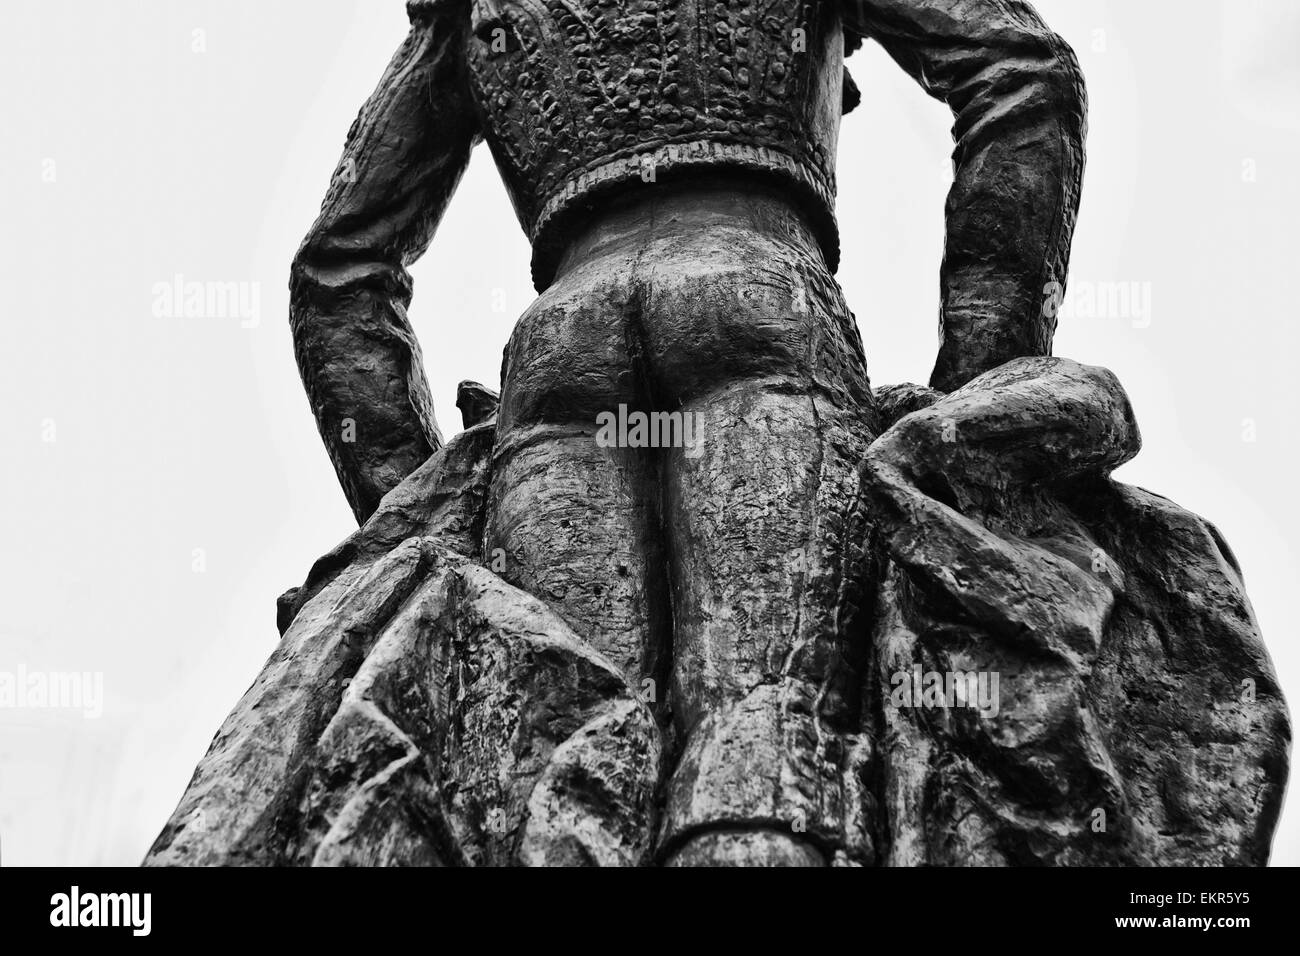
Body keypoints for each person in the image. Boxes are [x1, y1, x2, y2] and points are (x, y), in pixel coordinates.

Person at [288, 0, 1086, 864]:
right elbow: (1024, 74)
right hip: (757, 307)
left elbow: (339, 272)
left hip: (561, 361)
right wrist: (975, 390)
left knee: (569, 758)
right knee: (763, 743)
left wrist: (426, 518)